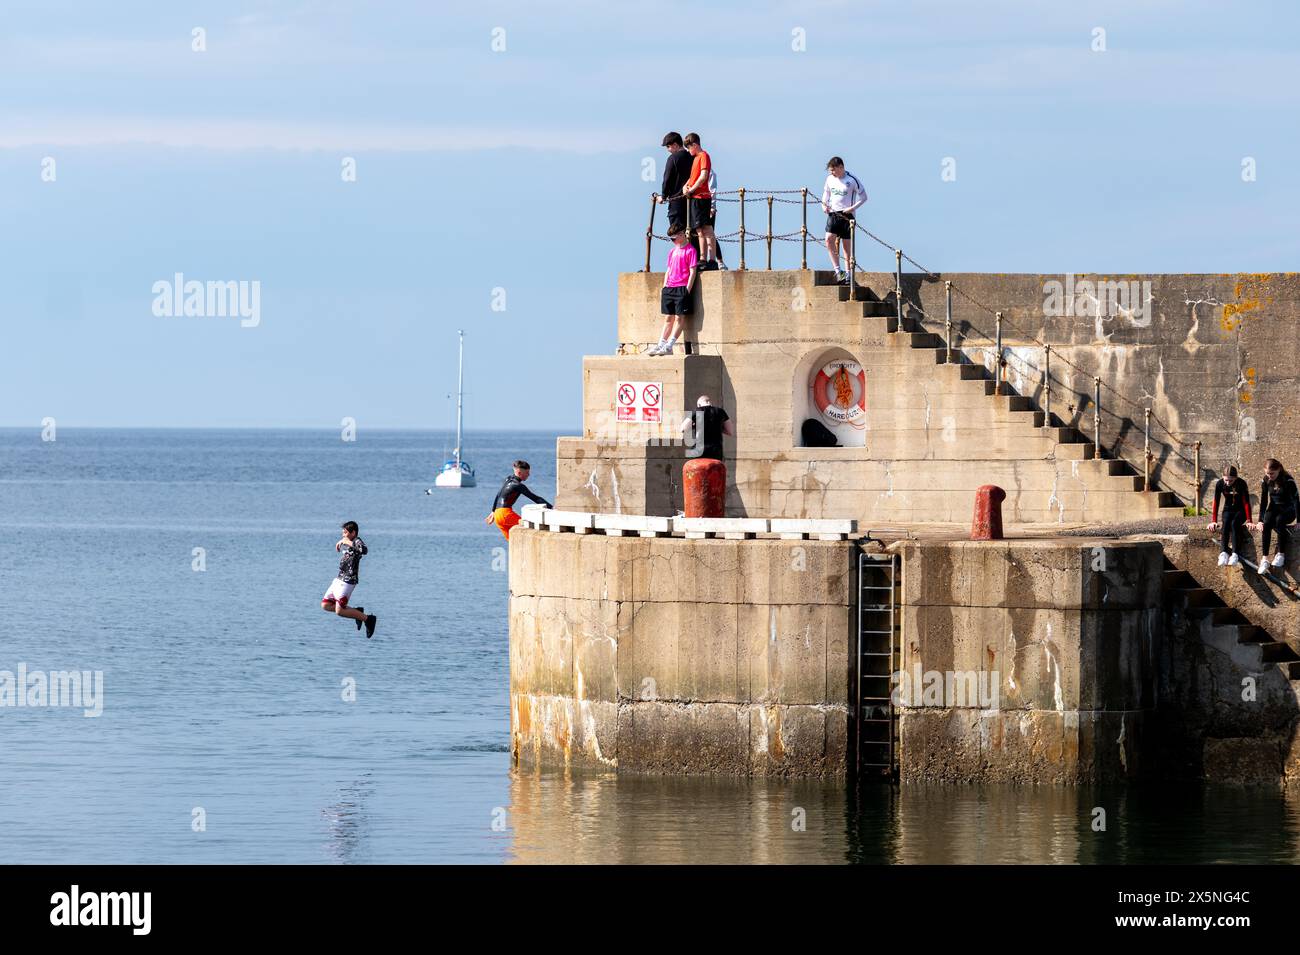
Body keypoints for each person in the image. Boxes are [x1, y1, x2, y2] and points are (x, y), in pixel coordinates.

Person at [321, 521, 377, 638]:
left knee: (340, 611)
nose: (343, 535)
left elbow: (364, 550)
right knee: (325, 605)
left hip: (348, 581)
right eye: (343, 533)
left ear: (353, 533)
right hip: (339, 579)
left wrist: (347, 542)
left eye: (345, 533)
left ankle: (368, 619)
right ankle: (357, 612)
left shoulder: (356, 541)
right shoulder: (349, 541)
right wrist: (345, 541)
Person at [650, 221, 697, 356]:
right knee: (668, 318)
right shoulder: (672, 251)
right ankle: (661, 344)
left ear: (682, 235)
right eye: (671, 239)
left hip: (682, 288)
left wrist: (687, 290)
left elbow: (692, 271)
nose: (672, 241)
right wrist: (664, 286)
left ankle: (670, 345)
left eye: (674, 238)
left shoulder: (691, 251)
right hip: (670, 287)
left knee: (679, 318)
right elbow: (668, 269)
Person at [820, 157, 867, 285]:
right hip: (833, 213)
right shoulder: (830, 179)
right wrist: (824, 205)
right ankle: (838, 270)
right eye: (830, 171)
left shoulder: (851, 180)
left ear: (841, 167)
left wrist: (852, 208)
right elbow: (826, 194)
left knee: (846, 247)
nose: (832, 173)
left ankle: (848, 274)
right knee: (829, 239)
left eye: (833, 170)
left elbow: (864, 197)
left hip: (847, 216)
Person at [1248, 458, 1298, 569]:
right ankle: (1265, 559)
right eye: (1267, 473)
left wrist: (1299, 520)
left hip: (1288, 509)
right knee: (1267, 522)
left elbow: (1296, 500)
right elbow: (1264, 501)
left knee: (1279, 520)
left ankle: (1281, 554)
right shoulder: (1265, 480)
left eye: (1272, 473)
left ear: (1279, 469)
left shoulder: (1288, 480)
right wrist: (1260, 520)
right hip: (1274, 507)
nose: (1270, 476)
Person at [485, 460, 552, 539]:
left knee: (513, 540)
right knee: (528, 528)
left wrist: (493, 511)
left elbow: (498, 494)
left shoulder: (508, 479)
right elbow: (535, 498)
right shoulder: (518, 485)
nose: (529, 475)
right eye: (527, 473)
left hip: (497, 514)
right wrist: (551, 507)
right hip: (505, 514)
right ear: (520, 473)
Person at [682, 133, 717, 270]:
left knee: (707, 229)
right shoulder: (696, 158)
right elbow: (693, 177)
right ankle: (702, 258)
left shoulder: (704, 156)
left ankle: (712, 259)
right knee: (699, 230)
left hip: (702, 198)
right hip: (695, 198)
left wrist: (692, 189)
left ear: (695, 145)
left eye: (689, 147)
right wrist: (686, 186)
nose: (689, 151)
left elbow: (703, 177)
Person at [1208, 465, 1251, 566]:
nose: (1228, 483)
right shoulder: (1219, 484)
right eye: (1226, 480)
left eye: (1231, 481)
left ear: (1235, 478)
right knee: (1226, 523)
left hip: (1241, 510)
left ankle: (1235, 554)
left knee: (1234, 524)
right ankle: (1223, 553)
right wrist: (1214, 520)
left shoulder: (1241, 483)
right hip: (1228, 508)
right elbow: (1216, 501)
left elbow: (1246, 502)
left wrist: (1249, 520)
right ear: (1222, 477)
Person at [657, 132, 693, 233]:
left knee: (677, 234)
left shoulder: (672, 158)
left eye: (668, 146)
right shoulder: (692, 157)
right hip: (692, 202)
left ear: (675, 145)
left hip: (676, 203)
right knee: (692, 235)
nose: (668, 150)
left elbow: (667, 180)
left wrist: (663, 197)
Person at [681, 394, 732, 460]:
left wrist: (694, 426)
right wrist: (716, 426)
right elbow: (729, 431)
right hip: (716, 452)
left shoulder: (697, 411)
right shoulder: (721, 411)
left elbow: (683, 429)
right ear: (709, 402)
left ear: (699, 404)